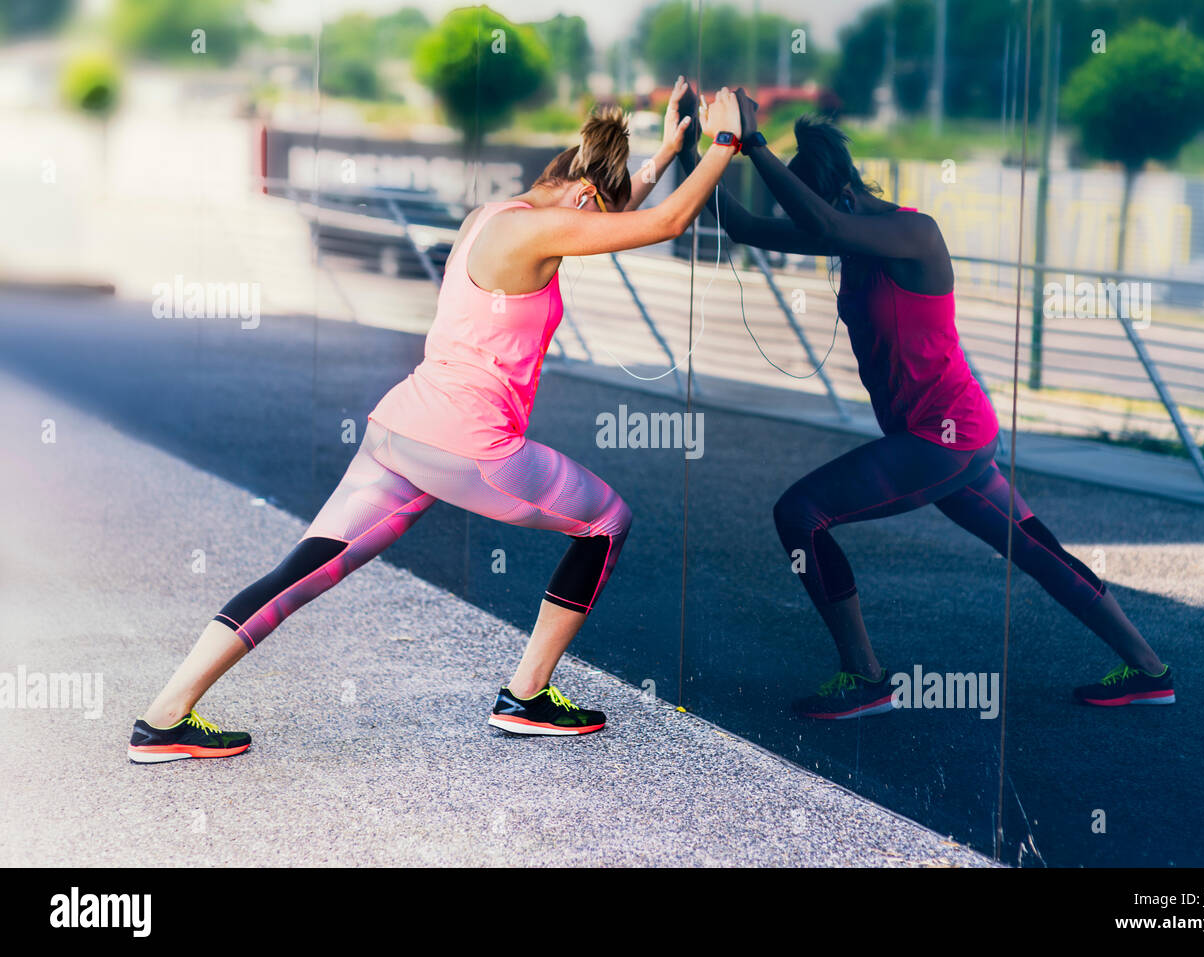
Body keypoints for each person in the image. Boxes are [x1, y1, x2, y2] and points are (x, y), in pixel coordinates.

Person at [127, 86, 744, 760]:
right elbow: (664, 223)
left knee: (301, 569)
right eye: (597, 208)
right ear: (581, 199)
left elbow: (614, 209)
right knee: (607, 520)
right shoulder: (540, 230)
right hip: (469, 443)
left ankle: (164, 716)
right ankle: (527, 695)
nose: (599, 220)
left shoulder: (498, 216)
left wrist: (662, 155)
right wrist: (724, 144)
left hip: (400, 430)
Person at [675, 86, 1174, 718]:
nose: (816, 232)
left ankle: (865, 678)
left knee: (799, 513)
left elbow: (824, 223)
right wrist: (694, 149)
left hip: (940, 438)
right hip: (950, 438)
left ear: (844, 196)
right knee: (1038, 552)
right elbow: (743, 224)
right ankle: (1150, 671)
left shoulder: (912, 234)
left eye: (820, 213)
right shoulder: (848, 235)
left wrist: (753, 145)